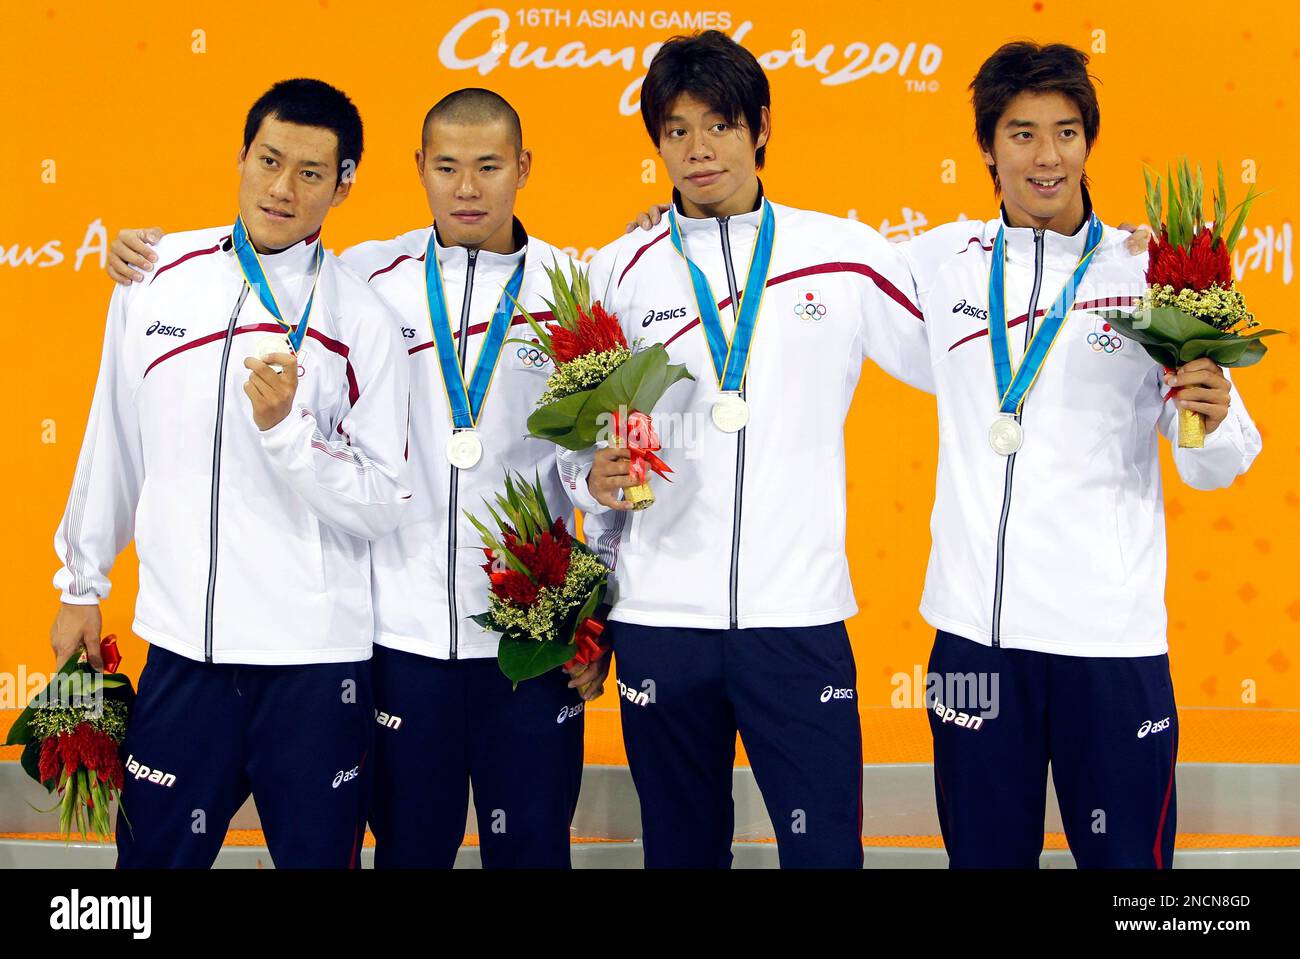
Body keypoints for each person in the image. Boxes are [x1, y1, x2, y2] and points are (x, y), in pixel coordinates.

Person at [107, 89, 601, 869]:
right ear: (418, 170)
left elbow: (599, 460)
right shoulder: (369, 277)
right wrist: (147, 254)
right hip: (394, 638)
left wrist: (595, 610)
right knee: (405, 852)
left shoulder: (579, 286)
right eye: (446, 167)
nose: (466, 188)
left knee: (536, 852)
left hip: (527, 639)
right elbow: (269, 253)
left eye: (488, 166)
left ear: (524, 168)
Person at [561, 30, 935, 869]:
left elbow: (963, 356)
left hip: (796, 616)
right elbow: (574, 449)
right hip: (659, 620)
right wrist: (589, 491)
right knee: (681, 853)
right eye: (677, 130)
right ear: (656, 140)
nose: (699, 150)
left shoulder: (840, 254)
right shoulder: (618, 269)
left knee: (827, 851)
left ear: (760, 128)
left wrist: (1096, 276)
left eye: (720, 125)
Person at [896, 41, 1261, 868]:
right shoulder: (936, 259)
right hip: (971, 641)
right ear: (987, 147)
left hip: (1111, 642)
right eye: (1021, 133)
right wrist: (676, 241)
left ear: (1088, 141)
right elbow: (817, 283)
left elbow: (1212, 462)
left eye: (1066, 131)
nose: (1046, 155)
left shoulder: (1147, 272)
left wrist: (1218, 406)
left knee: (1131, 871)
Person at [53, 78, 412, 868]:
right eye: (269, 159)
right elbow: (112, 438)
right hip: (186, 653)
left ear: (345, 183)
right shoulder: (153, 275)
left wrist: (292, 433)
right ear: (240, 156)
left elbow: (387, 498)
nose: (283, 188)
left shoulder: (364, 320)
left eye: (311, 172)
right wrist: (81, 583)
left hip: (315, 668)